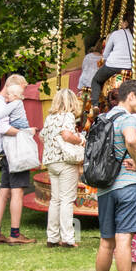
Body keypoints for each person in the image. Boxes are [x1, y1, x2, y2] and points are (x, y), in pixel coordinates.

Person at [90, 80, 136, 271]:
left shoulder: (103, 118)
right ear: (131, 97)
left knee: (106, 242)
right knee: (124, 239)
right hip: (126, 185)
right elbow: (131, 139)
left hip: (105, 186)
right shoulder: (127, 118)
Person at [0, 75, 36, 245]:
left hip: (3, 152)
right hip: (13, 151)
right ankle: (15, 233)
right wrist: (27, 133)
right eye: (21, 90)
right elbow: (4, 127)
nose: (21, 95)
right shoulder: (3, 103)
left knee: (5, 191)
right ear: (12, 87)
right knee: (17, 191)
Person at [40, 89, 86, 248]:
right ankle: (67, 238)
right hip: (65, 161)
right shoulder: (68, 116)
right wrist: (80, 140)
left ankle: (52, 237)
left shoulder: (50, 118)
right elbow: (67, 135)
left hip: (51, 161)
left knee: (55, 199)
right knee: (67, 199)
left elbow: (42, 136)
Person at [93, 15, 136, 101]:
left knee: (96, 80)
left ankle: (95, 105)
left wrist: (103, 61)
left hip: (112, 66)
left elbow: (105, 54)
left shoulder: (116, 33)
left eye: (122, 22)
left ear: (126, 23)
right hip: (128, 68)